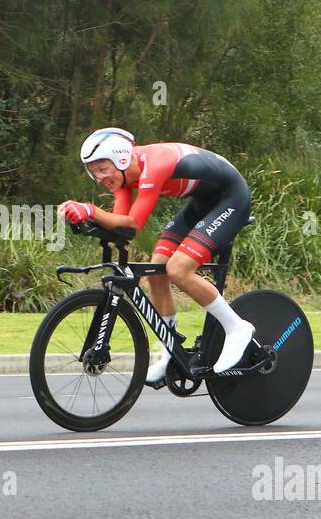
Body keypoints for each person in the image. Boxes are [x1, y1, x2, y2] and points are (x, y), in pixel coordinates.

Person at [58, 127, 255, 385]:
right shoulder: (124, 179)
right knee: (156, 271)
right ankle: (171, 350)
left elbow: (131, 225)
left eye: (102, 168)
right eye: (93, 171)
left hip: (231, 198)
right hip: (202, 202)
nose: (99, 177)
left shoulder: (154, 165)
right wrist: (87, 219)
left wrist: (90, 210)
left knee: (178, 270)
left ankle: (237, 328)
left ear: (120, 158)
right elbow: (119, 226)